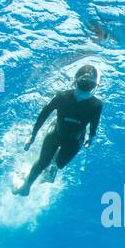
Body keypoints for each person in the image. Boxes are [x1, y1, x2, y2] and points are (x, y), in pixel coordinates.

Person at [14, 64, 103, 196]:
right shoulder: (62, 96)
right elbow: (44, 114)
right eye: (83, 82)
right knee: (43, 162)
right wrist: (32, 136)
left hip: (75, 141)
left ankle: (43, 172)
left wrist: (91, 136)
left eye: (89, 84)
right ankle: (26, 186)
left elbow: (94, 123)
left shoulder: (97, 105)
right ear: (76, 81)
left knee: (57, 166)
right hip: (55, 133)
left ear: (95, 86)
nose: (85, 87)